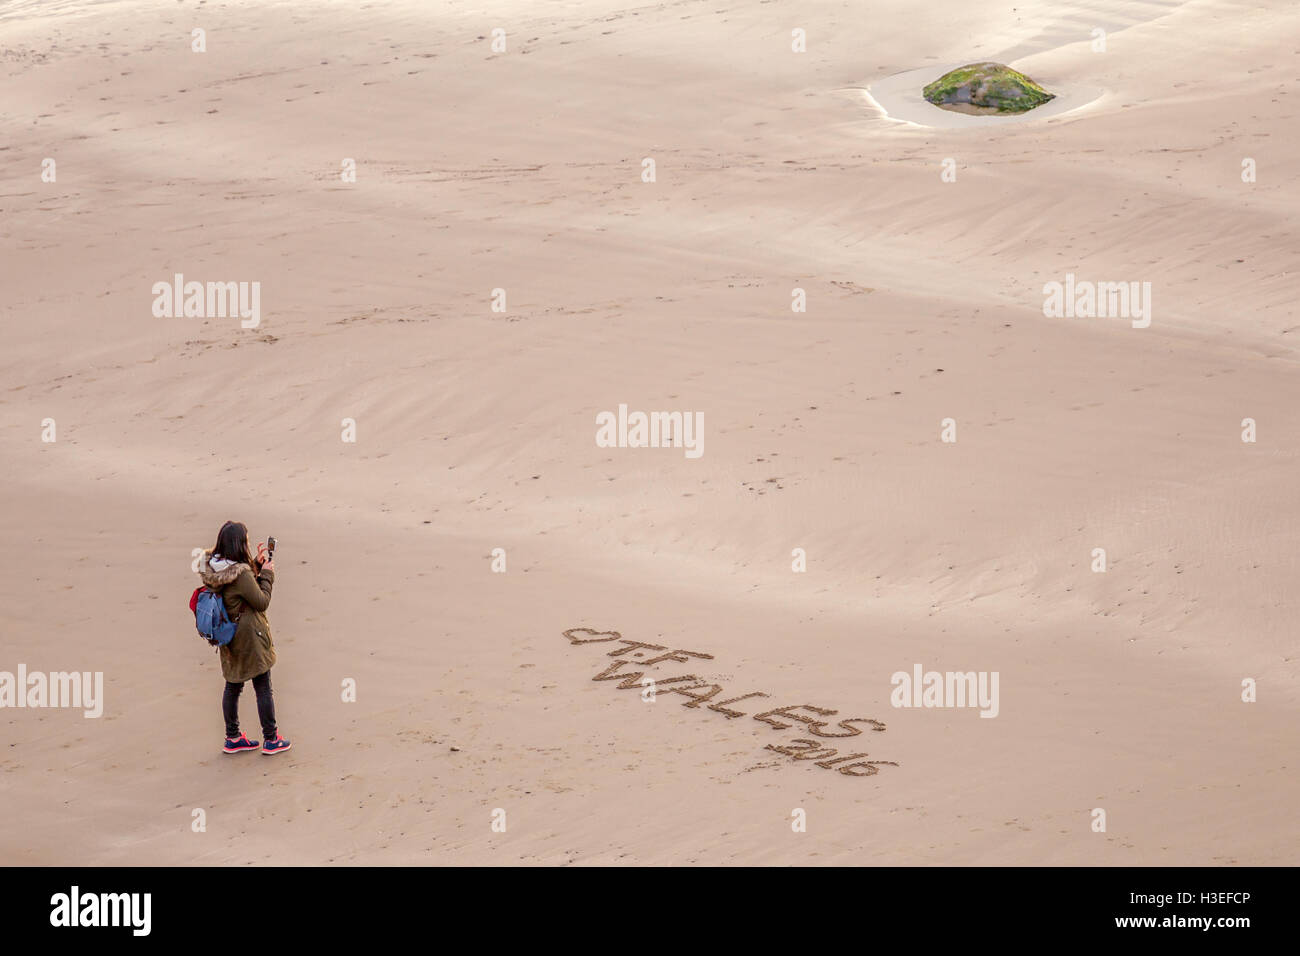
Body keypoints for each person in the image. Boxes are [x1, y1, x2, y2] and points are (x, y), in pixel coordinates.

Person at [198, 520, 291, 755]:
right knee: (263, 687)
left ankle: (233, 737)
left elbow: (236, 592)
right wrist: (267, 575)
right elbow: (261, 601)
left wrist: (255, 567)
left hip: (228, 636)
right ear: (239, 544)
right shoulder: (241, 574)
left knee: (233, 685)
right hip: (249, 638)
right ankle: (271, 739)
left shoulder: (214, 568)